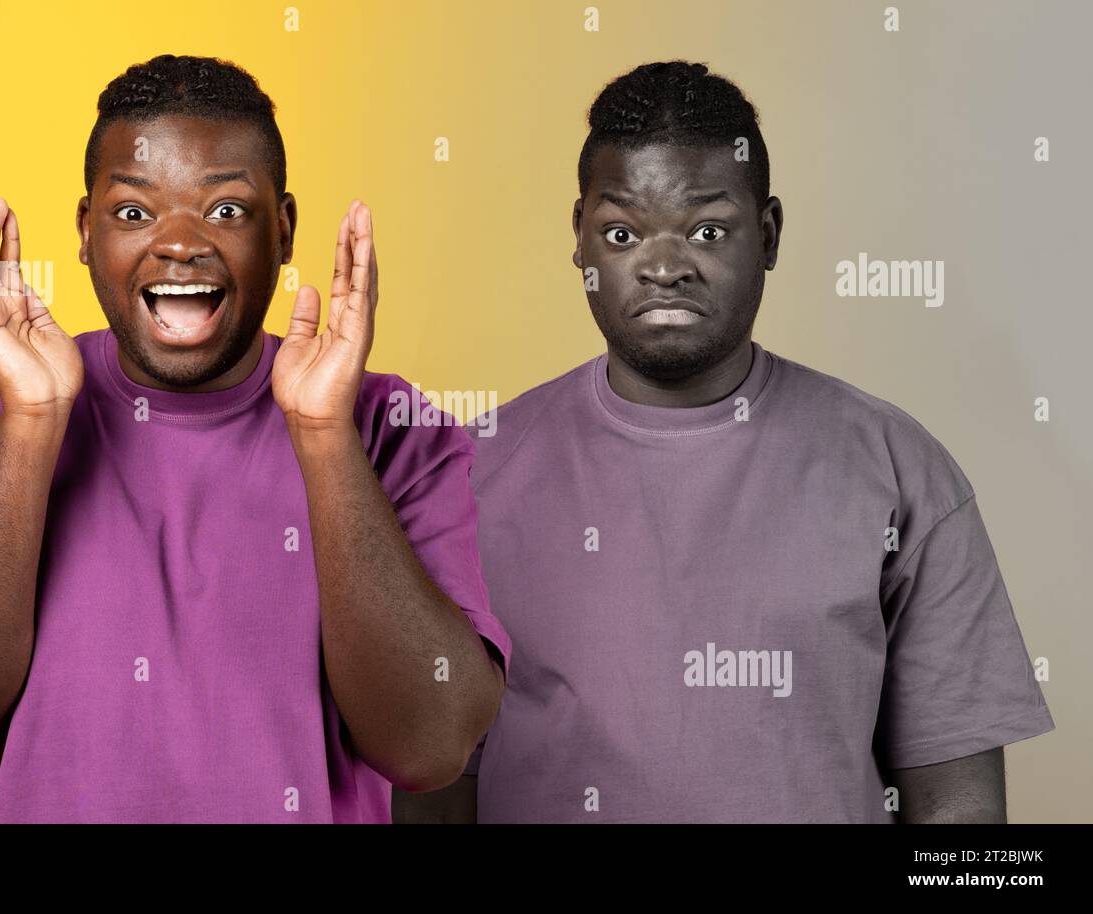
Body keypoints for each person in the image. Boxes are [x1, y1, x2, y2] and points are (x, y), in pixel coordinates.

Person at [393, 60, 1052, 824]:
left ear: (767, 235)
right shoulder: (467, 476)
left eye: (708, 230)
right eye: (621, 232)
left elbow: (959, 815)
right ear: (580, 242)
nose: (665, 267)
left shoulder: (899, 472)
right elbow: (431, 792)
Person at [0, 54, 508, 823]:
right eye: (134, 213)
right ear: (84, 231)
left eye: (227, 211)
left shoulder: (393, 431)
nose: (179, 244)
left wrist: (325, 435)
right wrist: (32, 423)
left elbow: (430, 747)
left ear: (285, 227)